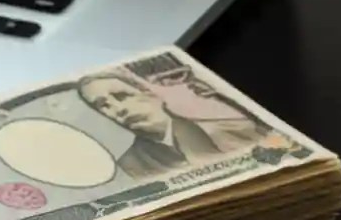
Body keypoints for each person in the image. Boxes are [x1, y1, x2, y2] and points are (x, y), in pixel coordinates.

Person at [77, 74, 274, 179]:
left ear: (150, 93)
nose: (118, 109)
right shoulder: (130, 167)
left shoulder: (235, 128)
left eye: (122, 96)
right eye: (104, 106)